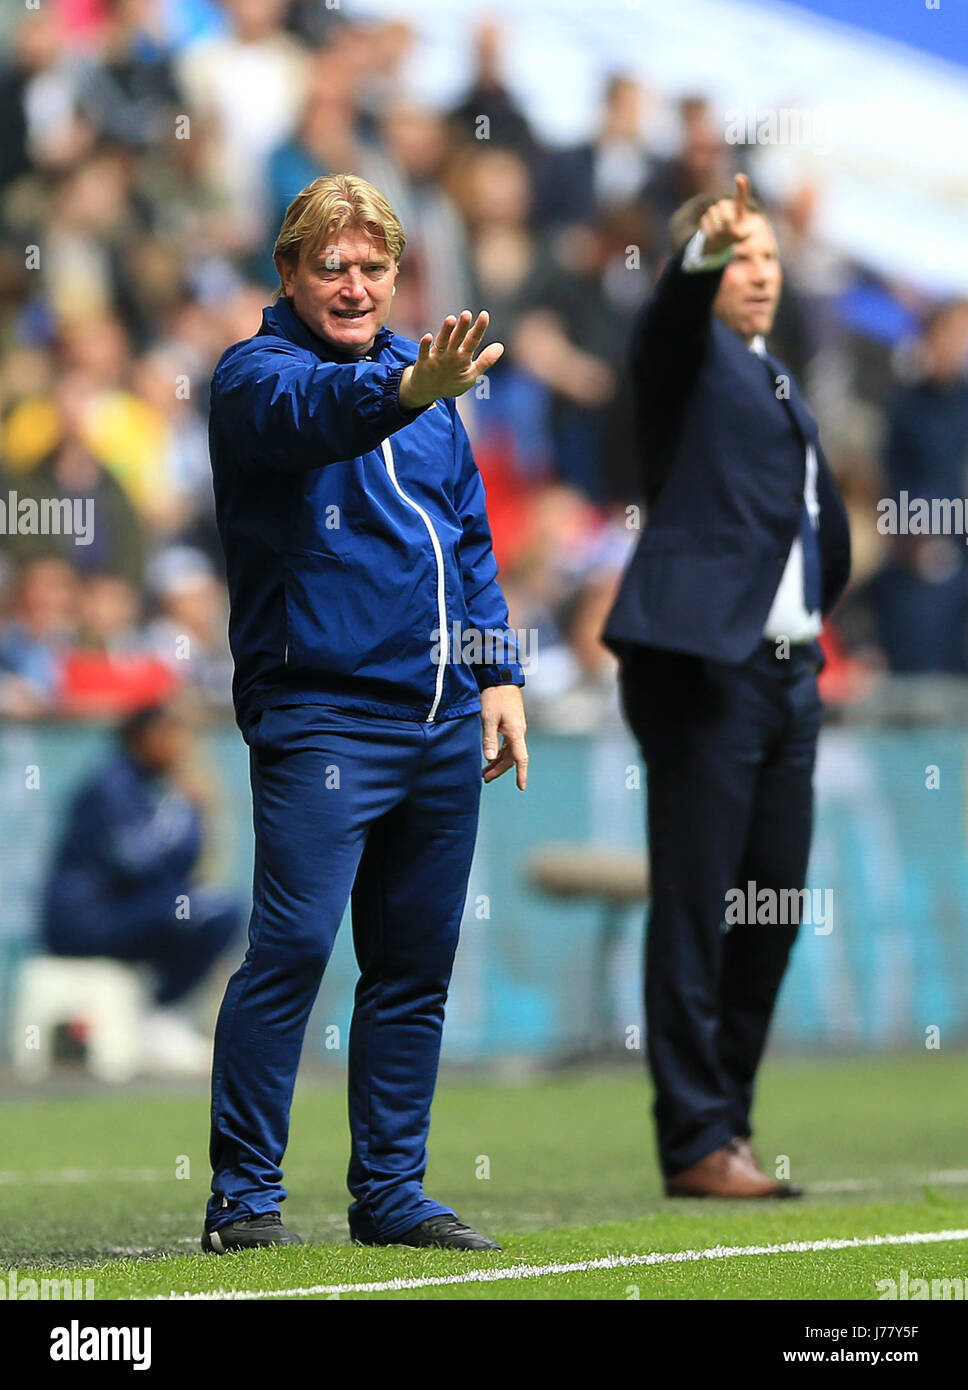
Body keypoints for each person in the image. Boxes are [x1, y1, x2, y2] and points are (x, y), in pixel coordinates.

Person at [204, 172, 527, 1254]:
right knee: (292, 951)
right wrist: (408, 390)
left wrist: (498, 673)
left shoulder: (424, 382)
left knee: (412, 969)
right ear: (288, 273)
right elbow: (312, 418)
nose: (353, 285)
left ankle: (390, 1193)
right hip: (322, 717)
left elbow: (467, 536)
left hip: (439, 720)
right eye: (331, 265)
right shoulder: (255, 375)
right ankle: (243, 1197)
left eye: (373, 267)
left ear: (397, 274)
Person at [603, 175, 851, 1198]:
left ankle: (728, 1125)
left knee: (769, 907)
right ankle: (694, 1137)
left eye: (768, 257)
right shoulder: (688, 355)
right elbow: (668, 316)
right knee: (698, 906)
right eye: (736, 256)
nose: (759, 273)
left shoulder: (771, 372)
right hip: (706, 666)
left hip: (791, 672)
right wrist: (695, 254)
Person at [42, 701, 241, 1074]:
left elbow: (174, 870)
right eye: (168, 734)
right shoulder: (109, 785)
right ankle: (159, 1014)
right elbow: (139, 867)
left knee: (211, 908)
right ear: (141, 738)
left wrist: (194, 812)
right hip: (84, 923)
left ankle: (160, 1012)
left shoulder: (150, 787)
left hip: (119, 913)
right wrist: (187, 814)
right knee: (212, 910)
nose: (178, 745)